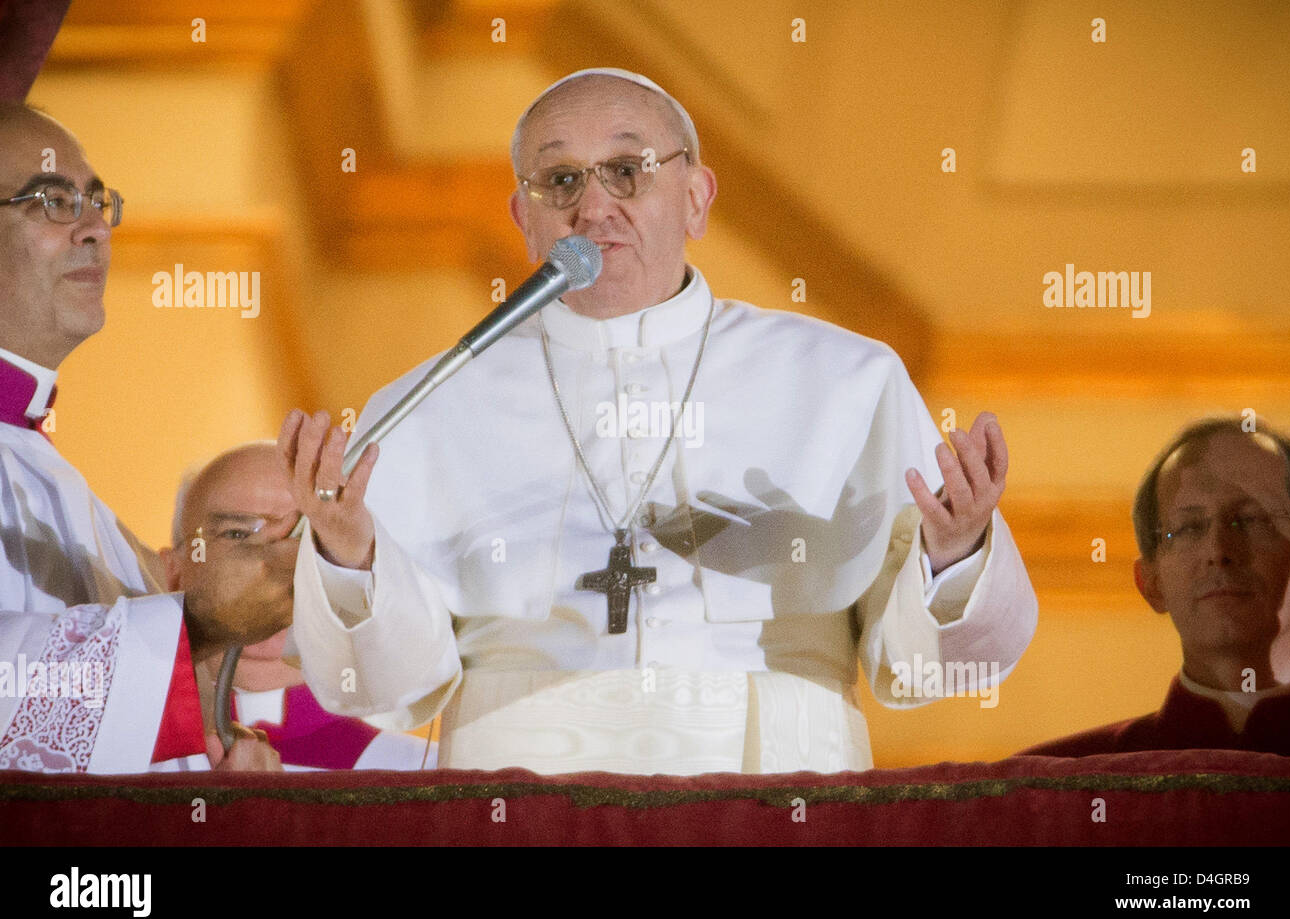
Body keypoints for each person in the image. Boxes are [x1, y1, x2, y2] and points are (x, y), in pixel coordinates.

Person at [282, 68, 1038, 774]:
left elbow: (925, 667)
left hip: (777, 773)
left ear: (698, 198)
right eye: (560, 180)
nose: (593, 206)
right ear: (523, 217)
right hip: (519, 780)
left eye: (626, 169)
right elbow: (383, 686)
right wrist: (350, 557)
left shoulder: (846, 378)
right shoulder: (435, 398)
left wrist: (955, 552)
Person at [0, 103, 278, 772]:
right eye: (52, 201)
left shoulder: (66, 487)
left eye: (98, 202)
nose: (96, 230)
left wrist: (222, 740)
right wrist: (197, 626)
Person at [1022, 419, 1290, 757]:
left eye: (1254, 519)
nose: (1219, 551)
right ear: (1151, 584)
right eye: (1187, 528)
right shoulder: (1058, 784)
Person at [162, 442, 436, 769]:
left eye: (306, 539)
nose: (269, 566)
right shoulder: (107, 750)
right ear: (173, 573)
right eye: (236, 535)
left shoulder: (421, 776)